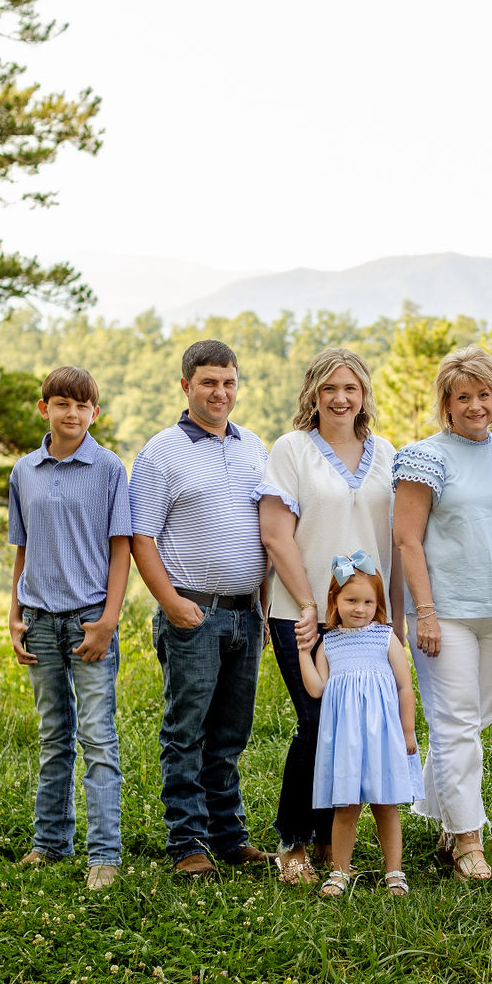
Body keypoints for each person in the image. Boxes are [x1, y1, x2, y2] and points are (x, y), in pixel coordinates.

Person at [256, 348, 402, 884]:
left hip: (367, 622)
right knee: (318, 722)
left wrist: (398, 621)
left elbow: (397, 542)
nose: (340, 399)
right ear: (312, 395)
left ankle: (327, 843)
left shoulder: (386, 453)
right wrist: (311, 605)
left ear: (364, 395)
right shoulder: (292, 450)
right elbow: (275, 533)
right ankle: (293, 842)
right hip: (302, 613)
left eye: (351, 389)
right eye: (329, 389)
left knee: (352, 727)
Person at [129, 340, 273, 880]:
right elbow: (142, 537)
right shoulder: (162, 451)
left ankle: (229, 836)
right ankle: (187, 843)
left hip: (246, 615)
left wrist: (263, 607)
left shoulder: (253, 446)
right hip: (194, 613)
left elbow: (267, 532)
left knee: (231, 733)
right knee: (186, 730)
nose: (221, 392)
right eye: (210, 382)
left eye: (229, 382)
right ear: (186, 386)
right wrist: (172, 604)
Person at [392, 346, 492, 881]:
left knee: (475, 719)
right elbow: (407, 538)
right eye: (462, 396)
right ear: (446, 403)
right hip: (444, 610)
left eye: (484, 394)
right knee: (454, 724)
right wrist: (423, 611)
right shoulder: (426, 456)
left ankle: (448, 824)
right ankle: (469, 842)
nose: (475, 405)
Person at [7, 366, 132, 891]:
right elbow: (21, 547)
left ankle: (103, 854)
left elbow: (121, 548)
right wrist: (13, 614)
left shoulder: (108, 469)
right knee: (54, 737)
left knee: (98, 738)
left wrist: (108, 620)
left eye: (82, 406)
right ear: (45, 409)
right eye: (62, 404)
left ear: (94, 413)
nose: (72, 414)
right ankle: (49, 843)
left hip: (88, 622)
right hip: (37, 619)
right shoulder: (24, 471)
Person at [297, 552, 423, 897]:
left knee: (386, 805)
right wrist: (303, 655)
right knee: (346, 807)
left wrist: (407, 729)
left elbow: (404, 685)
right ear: (334, 600)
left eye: (368, 601)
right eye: (351, 600)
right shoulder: (329, 643)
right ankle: (339, 873)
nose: (360, 608)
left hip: (384, 736)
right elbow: (317, 688)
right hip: (346, 740)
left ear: (377, 603)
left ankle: (394, 872)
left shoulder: (385, 637)